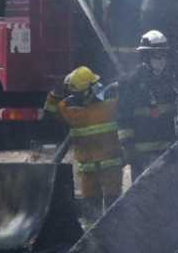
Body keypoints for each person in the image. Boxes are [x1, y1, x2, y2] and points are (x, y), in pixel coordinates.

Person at [43, 66, 123, 220]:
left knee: (114, 209)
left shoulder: (109, 104)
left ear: (89, 89)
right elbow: (49, 114)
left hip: (110, 167)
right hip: (89, 171)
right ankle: (91, 240)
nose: (74, 96)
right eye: (72, 93)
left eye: (77, 93)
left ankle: (113, 238)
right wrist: (55, 94)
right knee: (91, 212)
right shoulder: (71, 109)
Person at [117, 31, 178, 180]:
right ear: (146, 56)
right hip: (142, 154)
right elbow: (123, 117)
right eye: (157, 55)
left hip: (167, 151)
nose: (162, 60)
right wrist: (128, 147)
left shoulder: (170, 80)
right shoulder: (131, 82)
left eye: (164, 55)